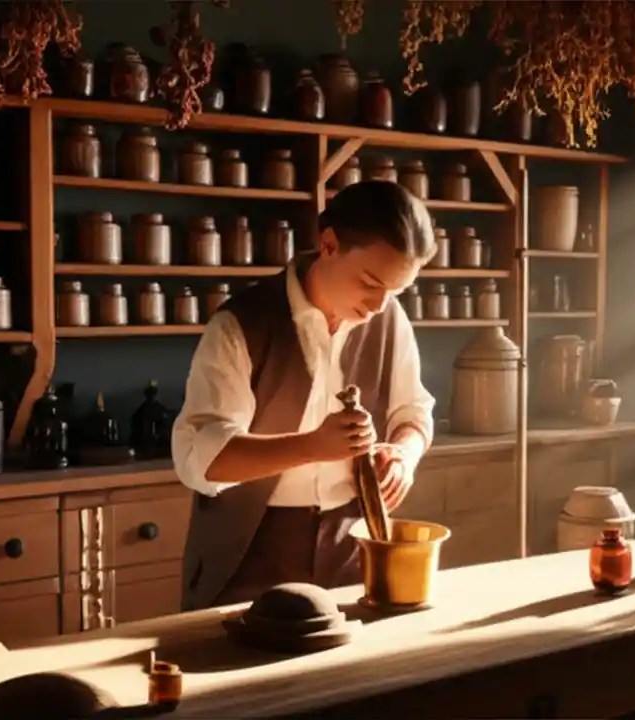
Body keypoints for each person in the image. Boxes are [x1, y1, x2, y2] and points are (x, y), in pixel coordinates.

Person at [173, 180, 438, 611]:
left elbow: (413, 410)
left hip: (353, 542)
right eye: (370, 281)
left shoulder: (389, 317)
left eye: (395, 290)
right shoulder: (241, 325)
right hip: (250, 552)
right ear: (329, 243)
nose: (378, 304)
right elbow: (200, 459)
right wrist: (313, 446)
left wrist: (404, 455)